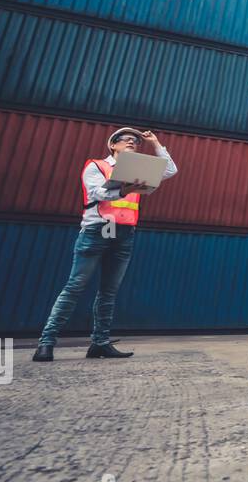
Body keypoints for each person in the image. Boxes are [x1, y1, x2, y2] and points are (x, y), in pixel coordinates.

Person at [32, 127, 177, 362]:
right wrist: (124, 190)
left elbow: (170, 170)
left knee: (108, 292)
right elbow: (98, 193)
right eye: (126, 140)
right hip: (97, 231)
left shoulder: (139, 169)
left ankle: (99, 343)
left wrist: (156, 144)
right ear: (113, 145)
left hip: (124, 234)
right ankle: (46, 343)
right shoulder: (96, 166)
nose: (132, 142)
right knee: (75, 286)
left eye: (135, 141)